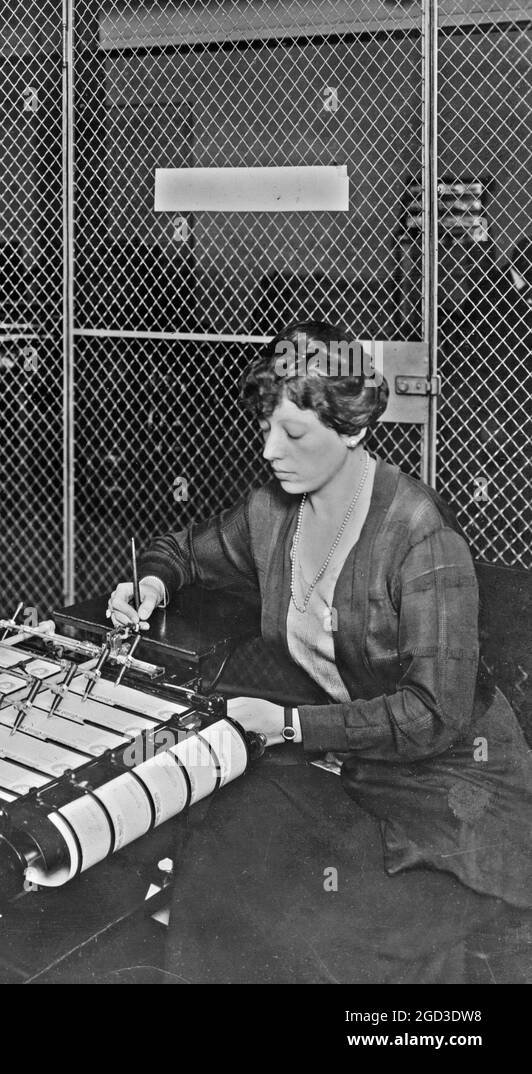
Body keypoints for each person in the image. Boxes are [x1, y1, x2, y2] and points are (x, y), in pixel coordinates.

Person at [106, 320, 532, 983]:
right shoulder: (275, 513)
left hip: (453, 793)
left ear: (354, 430)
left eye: (295, 434)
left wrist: (290, 727)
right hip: (355, 764)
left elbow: (434, 715)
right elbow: (184, 550)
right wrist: (149, 585)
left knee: (309, 920)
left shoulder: (418, 533)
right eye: (268, 428)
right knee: (216, 850)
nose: (271, 450)